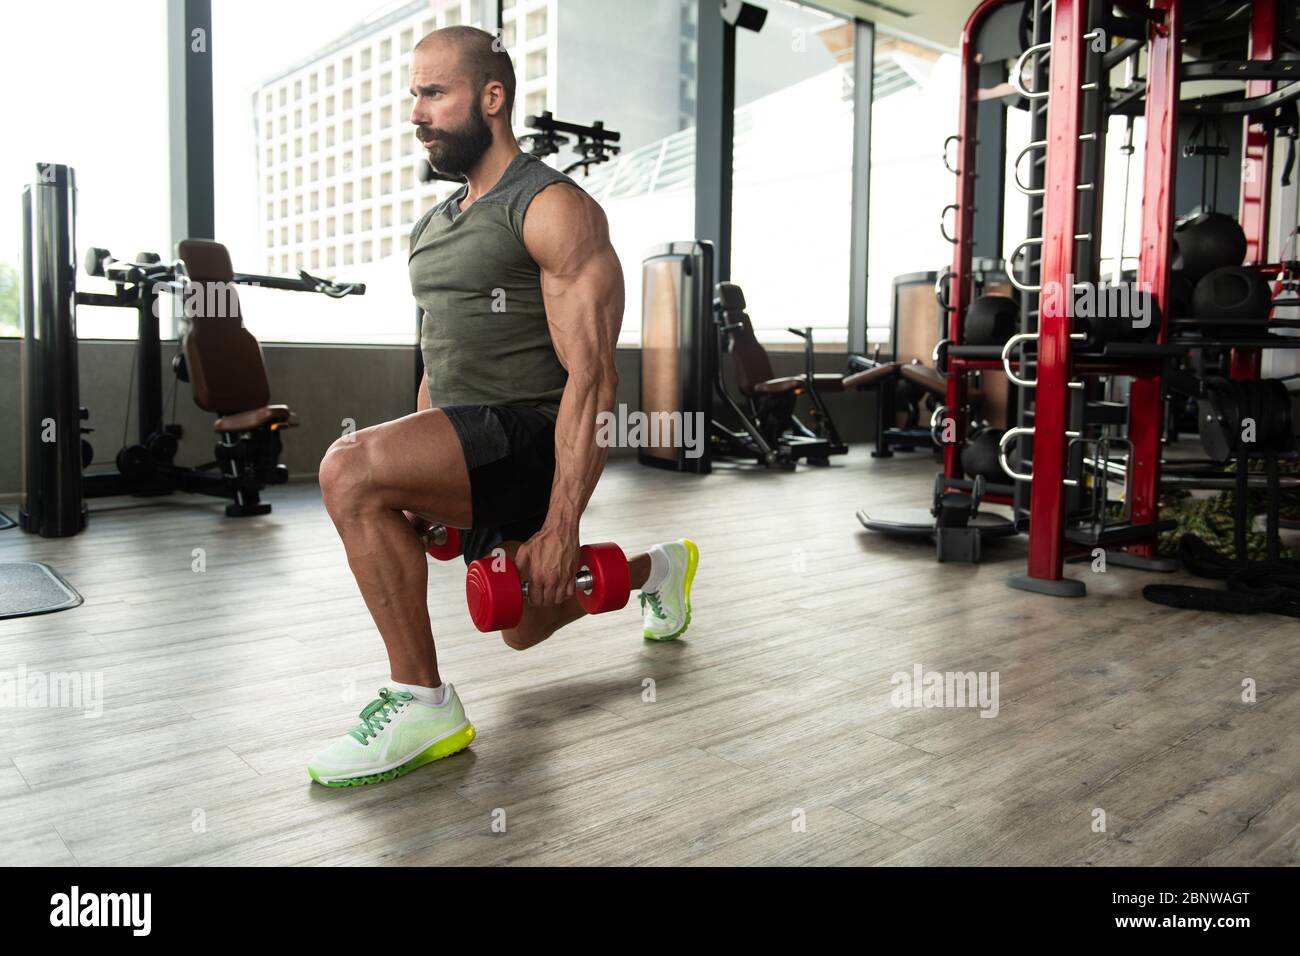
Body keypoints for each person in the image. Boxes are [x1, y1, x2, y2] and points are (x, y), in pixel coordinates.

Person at [307, 26, 699, 787]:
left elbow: (594, 382)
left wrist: (562, 524)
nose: (415, 113)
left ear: (491, 99)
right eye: (413, 94)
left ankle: (421, 704)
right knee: (519, 621)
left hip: (527, 436)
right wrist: (419, 476)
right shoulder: (433, 226)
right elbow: (437, 363)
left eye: (433, 93)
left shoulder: (552, 207)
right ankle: (659, 571)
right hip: (465, 438)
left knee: (346, 471)